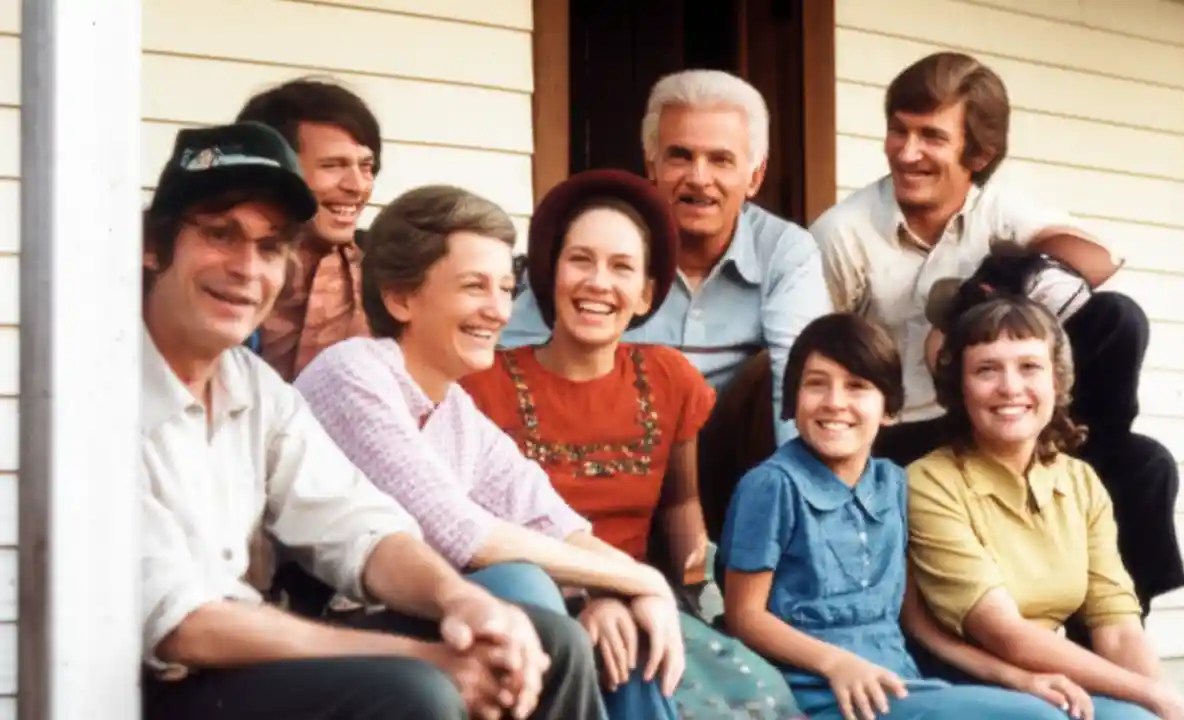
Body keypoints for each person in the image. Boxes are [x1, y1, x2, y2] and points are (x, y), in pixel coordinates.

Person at [140, 122, 603, 720]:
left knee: (545, 642)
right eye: (219, 234)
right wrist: (423, 656)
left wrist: (459, 600)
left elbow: (358, 525)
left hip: (236, 660)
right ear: (153, 245)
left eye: (271, 246)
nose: (247, 267)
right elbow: (184, 626)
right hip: (146, 686)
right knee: (417, 691)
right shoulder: (94, 394)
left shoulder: (253, 386)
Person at [808, 51, 1184, 612]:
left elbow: (1100, 260)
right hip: (902, 435)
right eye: (898, 131)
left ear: (978, 155)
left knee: (1141, 442)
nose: (906, 152)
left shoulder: (998, 208)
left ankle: (1113, 623)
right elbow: (811, 362)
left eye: (931, 137)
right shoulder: (844, 233)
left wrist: (986, 292)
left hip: (994, 415)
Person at [294, 184, 684, 719]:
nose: (498, 311)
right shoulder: (353, 374)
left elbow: (552, 520)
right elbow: (463, 535)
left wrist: (620, 592)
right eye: (474, 286)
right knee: (517, 585)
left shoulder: (454, 408)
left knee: (623, 628)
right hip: (322, 635)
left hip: (427, 621)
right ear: (401, 298)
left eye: (505, 288)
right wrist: (642, 577)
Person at [462, 169, 805, 719]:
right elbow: (474, 537)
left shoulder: (668, 377)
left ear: (646, 293)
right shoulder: (482, 385)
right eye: (581, 260)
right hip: (533, 611)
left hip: (641, 600)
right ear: (550, 274)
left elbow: (680, 505)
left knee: (763, 697)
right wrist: (588, 598)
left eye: (622, 267)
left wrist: (698, 596)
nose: (599, 283)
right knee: (630, 676)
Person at [501, 69, 833, 540]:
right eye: (680, 155)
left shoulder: (785, 250)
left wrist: (807, 506)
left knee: (783, 369)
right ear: (651, 164)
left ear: (755, 176)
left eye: (721, 159)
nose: (699, 177)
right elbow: (512, 355)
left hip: (725, 464)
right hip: (602, 451)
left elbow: (799, 372)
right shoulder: (605, 243)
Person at [718, 312, 1091, 720]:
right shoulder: (773, 485)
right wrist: (835, 663)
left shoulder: (891, 484)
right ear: (793, 400)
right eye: (816, 384)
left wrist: (1018, 678)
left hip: (900, 683)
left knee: (1047, 708)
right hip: (818, 691)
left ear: (889, 410)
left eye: (857, 386)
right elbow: (745, 616)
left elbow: (916, 624)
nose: (834, 402)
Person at [907, 295, 1184, 720]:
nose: (1010, 387)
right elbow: (1003, 633)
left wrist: (1164, 704)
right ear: (960, 388)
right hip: (965, 686)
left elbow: (1117, 626)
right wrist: (1155, 696)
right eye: (987, 369)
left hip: (1055, 686)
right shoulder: (930, 482)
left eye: (1029, 367)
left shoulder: (1079, 482)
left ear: (1056, 381)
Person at [236, 78, 377, 381]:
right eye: (333, 165)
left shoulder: (384, 273)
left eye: (366, 167)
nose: (357, 186)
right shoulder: (228, 272)